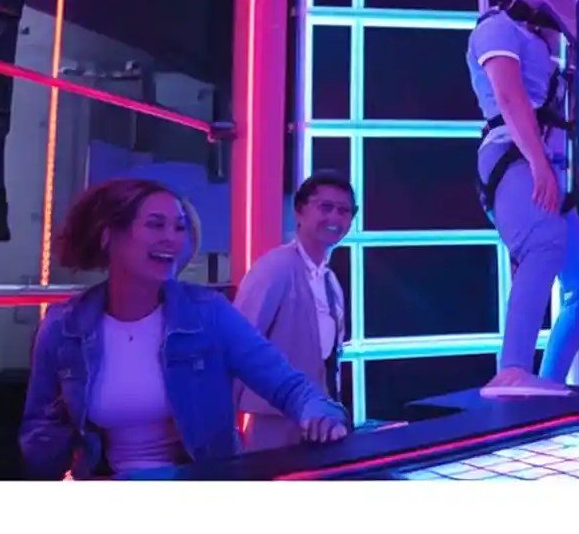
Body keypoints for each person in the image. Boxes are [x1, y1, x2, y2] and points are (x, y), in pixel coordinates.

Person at [18, 179, 348, 480]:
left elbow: (285, 383)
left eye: (179, 227)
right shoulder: (64, 327)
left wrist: (319, 412)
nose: (172, 238)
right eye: (155, 224)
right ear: (108, 236)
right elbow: (40, 431)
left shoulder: (209, 313)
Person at [464, 0, 579, 397]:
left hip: (546, 160)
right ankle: (511, 369)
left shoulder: (539, 39)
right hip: (516, 157)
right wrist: (541, 165)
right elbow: (509, 98)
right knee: (543, 242)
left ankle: (543, 384)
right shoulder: (494, 28)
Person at [233, 171, 355, 451]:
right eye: (325, 207)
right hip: (274, 420)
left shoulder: (330, 280)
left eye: (344, 210)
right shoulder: (275, 268)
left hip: (320, 421)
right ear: (299, 211)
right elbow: (238, 347)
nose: (335, 218)